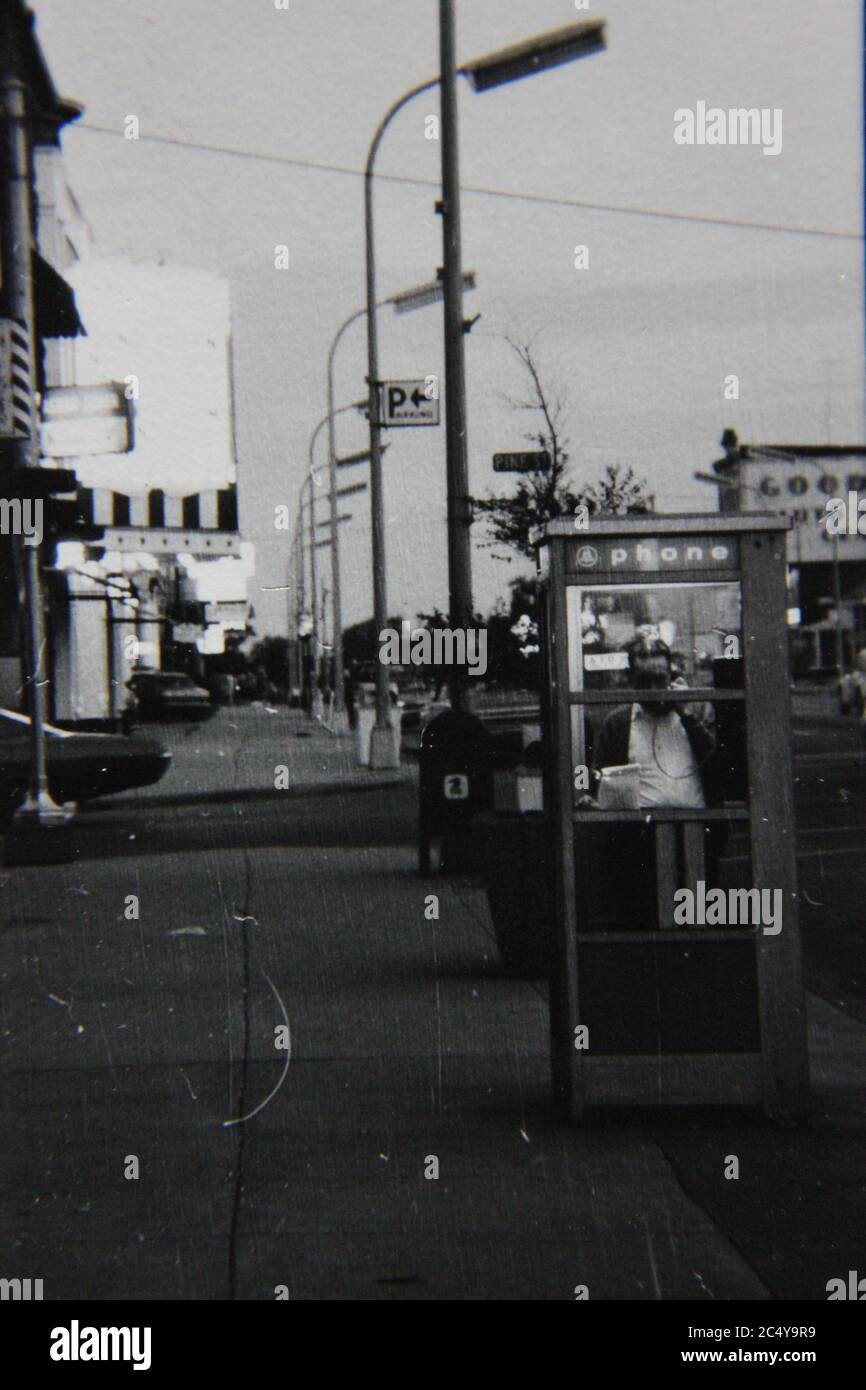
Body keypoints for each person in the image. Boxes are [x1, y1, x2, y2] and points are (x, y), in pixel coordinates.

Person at [588, 636, 717, 808]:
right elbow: (599, 774)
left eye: (659, 679)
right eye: (645, 681)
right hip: (641, 829)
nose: (653, 689)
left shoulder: (698, 711)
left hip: (695, 826)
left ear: (672, 677)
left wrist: (686, 713)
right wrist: (590, 795)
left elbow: (716, 761)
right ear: (633, 680)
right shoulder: (617, 723)